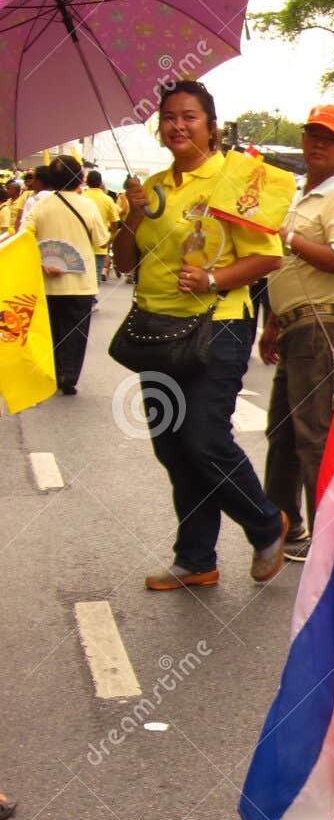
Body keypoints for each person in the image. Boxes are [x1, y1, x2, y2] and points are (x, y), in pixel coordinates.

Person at [111, 79, 287, 591]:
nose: (178, 126)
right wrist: (132, 215)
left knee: (204, 440)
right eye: (169, 117)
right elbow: (126, 263)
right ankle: (196, 559)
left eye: (189, 117)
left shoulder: (235, 179)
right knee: (173, 447)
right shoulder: (152, 187)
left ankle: (265, 523)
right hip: (156, 331)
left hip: (218, 324)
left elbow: (268, 257)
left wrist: (213, 278)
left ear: (211, 126)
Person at [260, 105, 334, 564]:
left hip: (321, 326)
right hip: (295, 325)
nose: (318, 143)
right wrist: (273, 321)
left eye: (329, 138)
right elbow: (288, 269)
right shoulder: (300, 192)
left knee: (313, 436)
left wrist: (289, 237)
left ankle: (328, 540)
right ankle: (286, 527)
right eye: (312, 134)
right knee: (283, 433)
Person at [27, 155, 108, 396]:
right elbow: (101, 240)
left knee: (52, 328)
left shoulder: (40, 207)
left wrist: (42, 261)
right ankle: (69, 376)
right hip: (80, 283)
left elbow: (24, 238)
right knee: (76, 332)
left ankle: (53, 371)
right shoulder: (88, 206)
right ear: (80, 178)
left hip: (47, 283)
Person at [84, 169, 121, 282]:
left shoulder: (81, 197)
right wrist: (110, 237)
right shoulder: (107, 200)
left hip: (82, 244)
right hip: (100, 245)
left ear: (87, 182)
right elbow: (115, 222)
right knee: (95, 281)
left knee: (82, 280)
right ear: (100, 183)